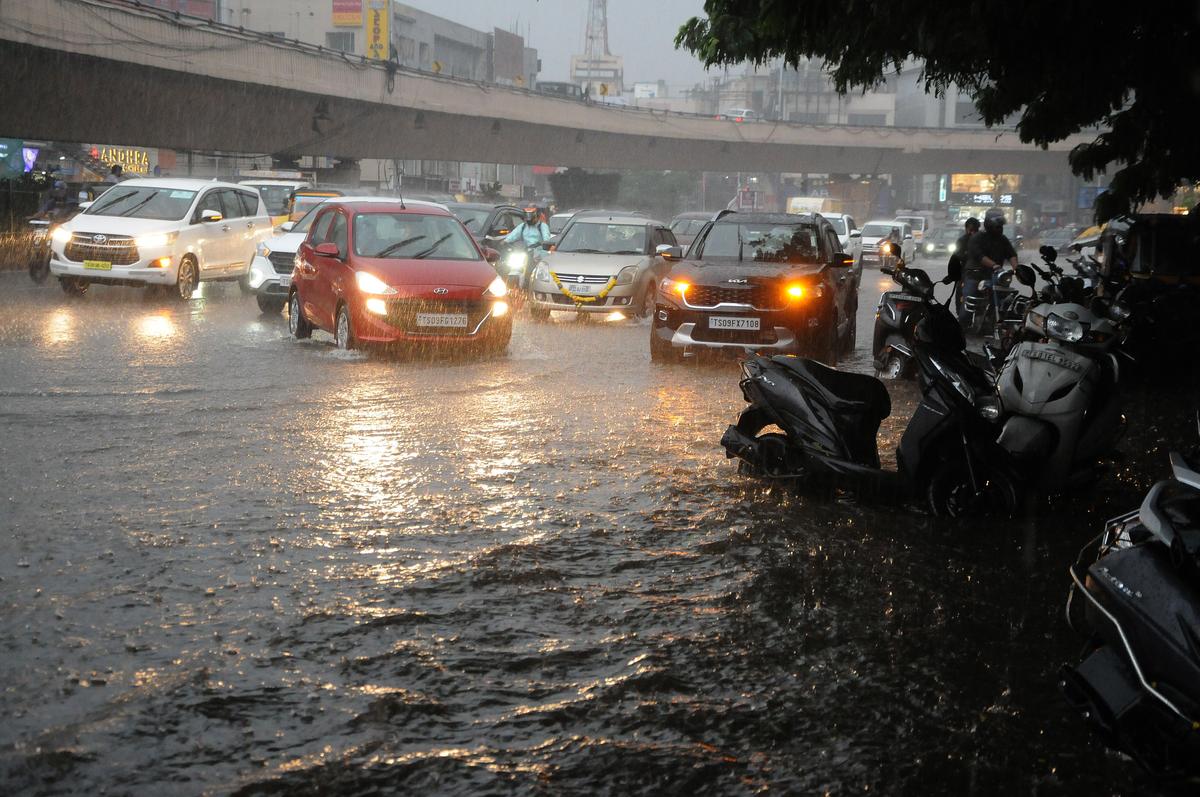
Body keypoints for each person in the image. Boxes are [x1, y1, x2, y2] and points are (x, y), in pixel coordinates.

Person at [962, 209, 1018, 327]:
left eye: (1001, 226)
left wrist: (1017, 269)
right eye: (997, 225)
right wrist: (994, 265)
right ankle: (962, 328)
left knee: (1008, 300)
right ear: (989, 224)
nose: (1000, 228)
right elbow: (979, 256)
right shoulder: (977, 238)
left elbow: (1011, 254)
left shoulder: (1002, 239)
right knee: (967, 310)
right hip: (976, 275)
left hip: (996, 277)